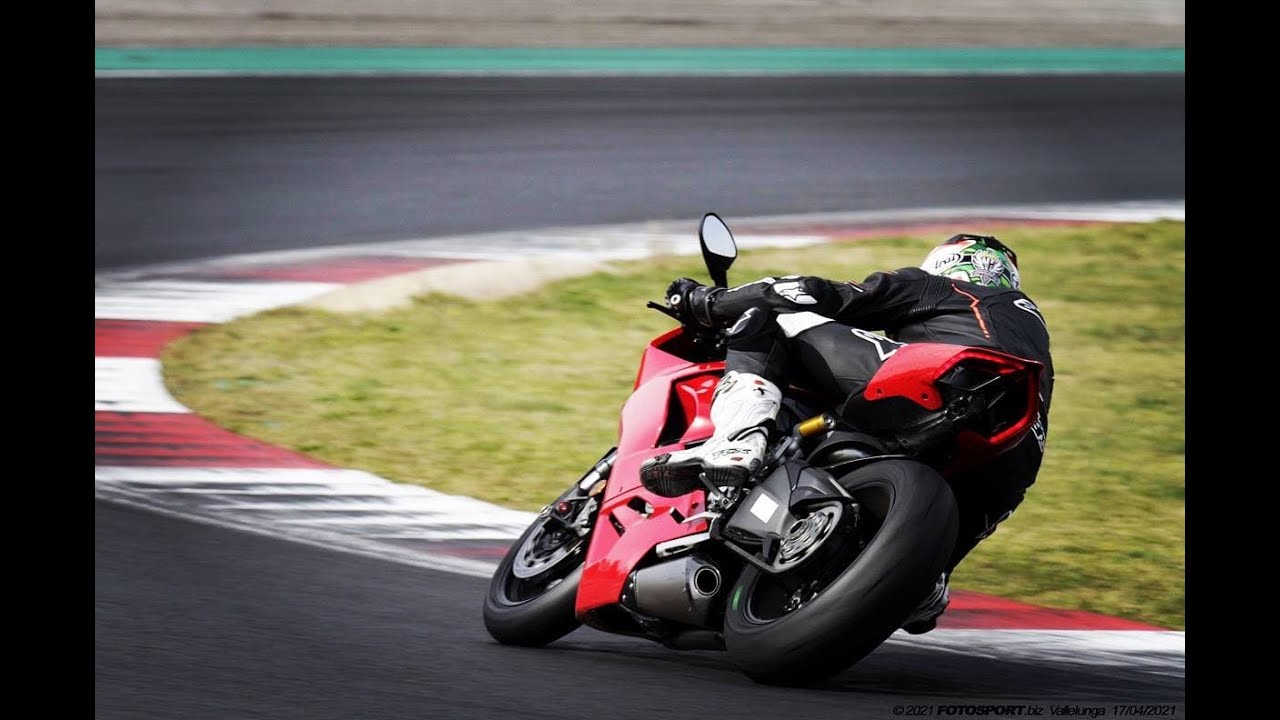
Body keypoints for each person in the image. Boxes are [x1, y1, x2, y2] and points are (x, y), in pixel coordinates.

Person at [639, 233, 1053, 634]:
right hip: (1013, 457)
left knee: (770, 318)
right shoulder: (1034, 345)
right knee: (953, 542)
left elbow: (810, 292)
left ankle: (736, 444)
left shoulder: (951, 289)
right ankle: (929, 584)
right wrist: (924, 569)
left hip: (942, 383)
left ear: (950, 264)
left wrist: (707, 303)